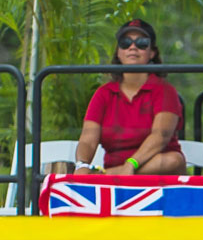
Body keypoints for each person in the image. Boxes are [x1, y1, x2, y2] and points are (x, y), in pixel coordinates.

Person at [75, 18, 187, 177]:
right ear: (119, 52)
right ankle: (111, 175)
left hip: (157, 174)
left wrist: (131, 164)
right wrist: (82, 165)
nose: (132, 47)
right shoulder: (103, 93)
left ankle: (108, 175)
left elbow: (160, 136)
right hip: (116, 181)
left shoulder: (165, 91)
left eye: (141, 43)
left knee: (173, 160)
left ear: (152, 52)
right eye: (125, 42)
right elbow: (88, 138)